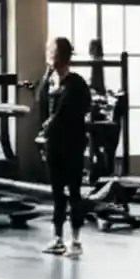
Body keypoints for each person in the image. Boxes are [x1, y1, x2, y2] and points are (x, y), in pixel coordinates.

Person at [37, 37, 90, 258]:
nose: (49, 54)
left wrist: (54, 122)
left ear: (63, 55)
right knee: (57, 193)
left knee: (74, 192)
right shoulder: (49, 82)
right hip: (53, 146)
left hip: (72, 144)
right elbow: (40, 104)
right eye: (48, 50)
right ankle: (58, 238)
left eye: (53, 51)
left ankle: (76, 241)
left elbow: (74, 110)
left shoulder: (76, 83)